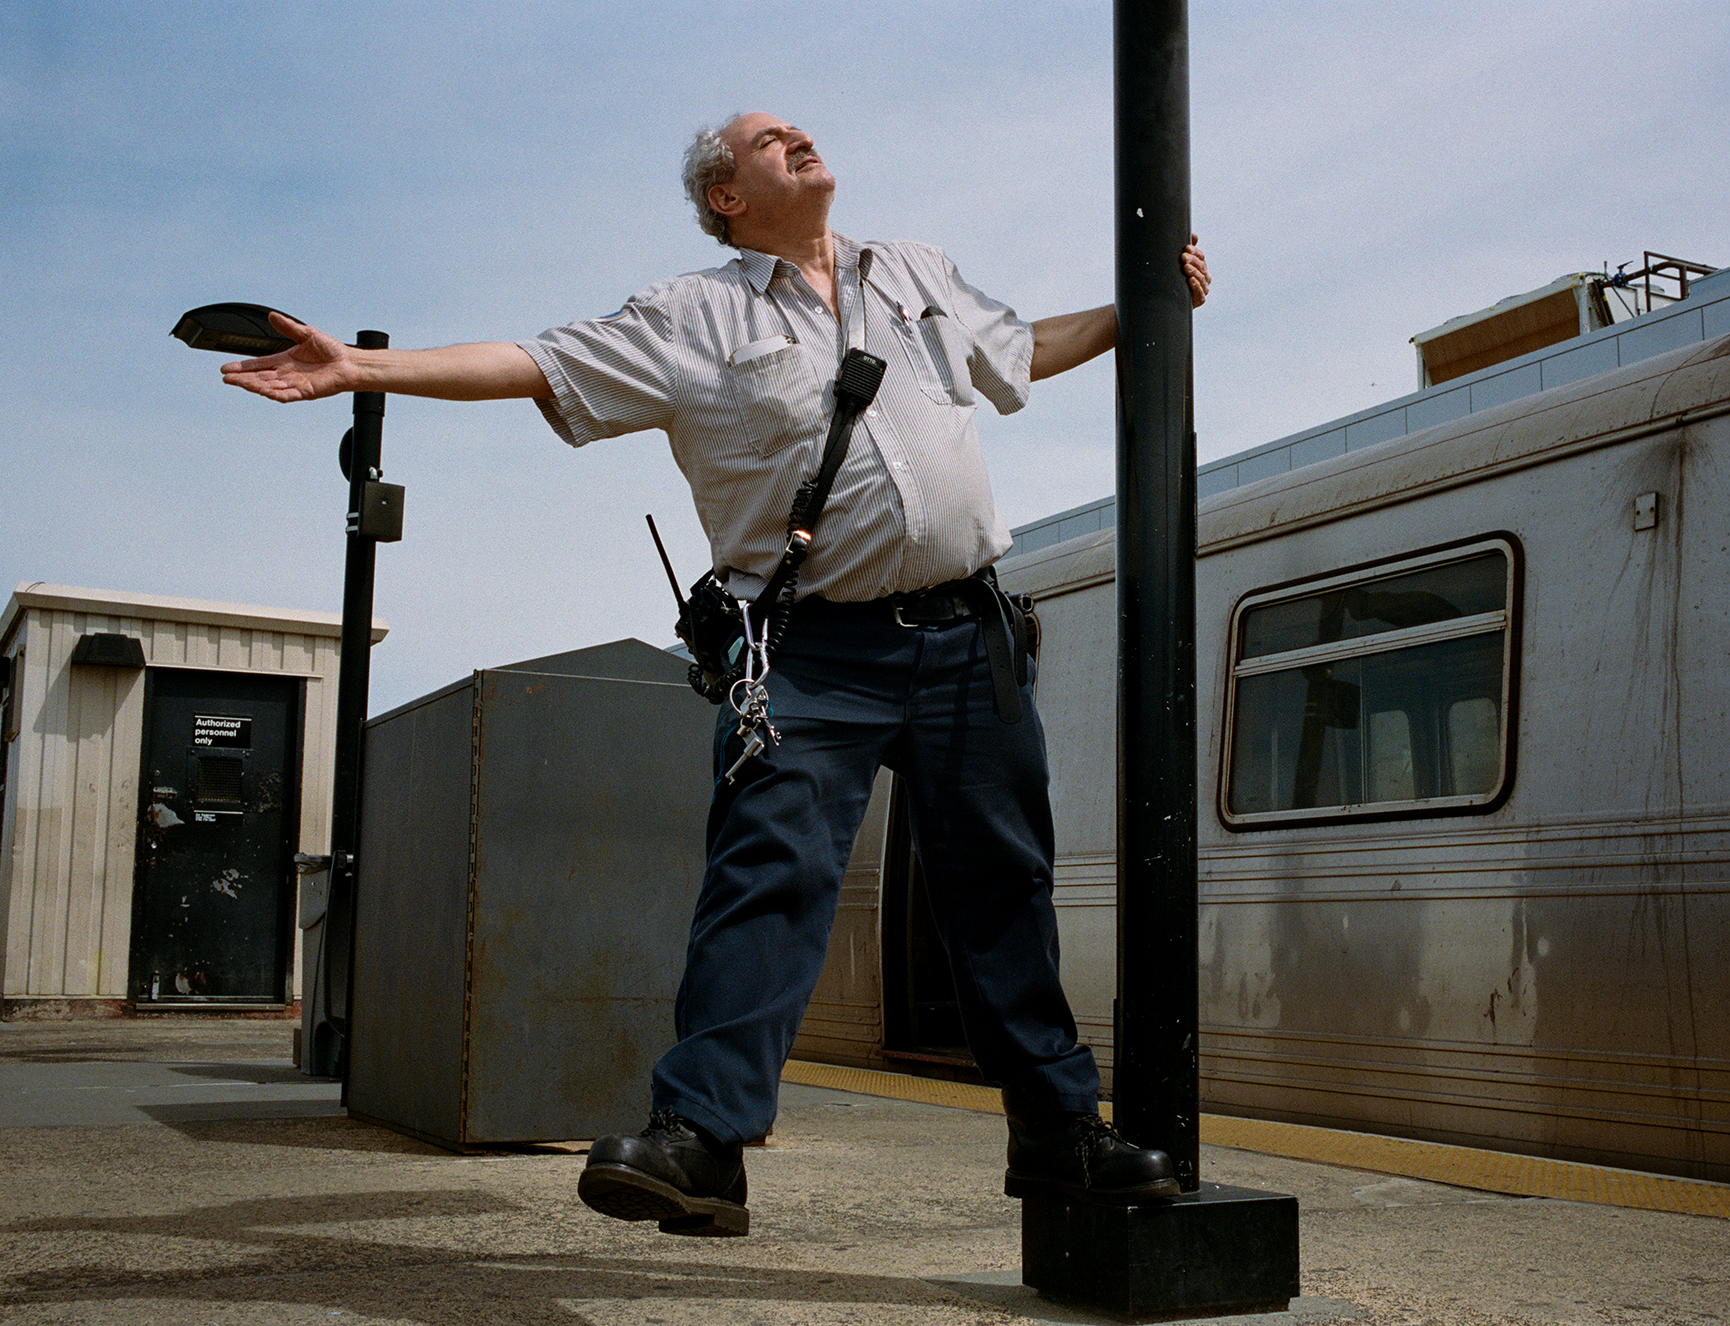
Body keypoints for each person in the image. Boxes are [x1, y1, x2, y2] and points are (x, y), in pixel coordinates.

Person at [220, 112, 1212, 1238]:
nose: (797, 135)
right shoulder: (689, 315)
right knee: (767, 883)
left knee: (1002, 890)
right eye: (766, 138)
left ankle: (1055, 1135)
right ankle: (700, 1141)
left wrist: (1143, 309)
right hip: (806, 650)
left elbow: (1022, 350)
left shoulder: (915, 270)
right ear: (725, 198)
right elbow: (535, 362)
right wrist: (363, 368)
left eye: (797, 127)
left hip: (964, 634)